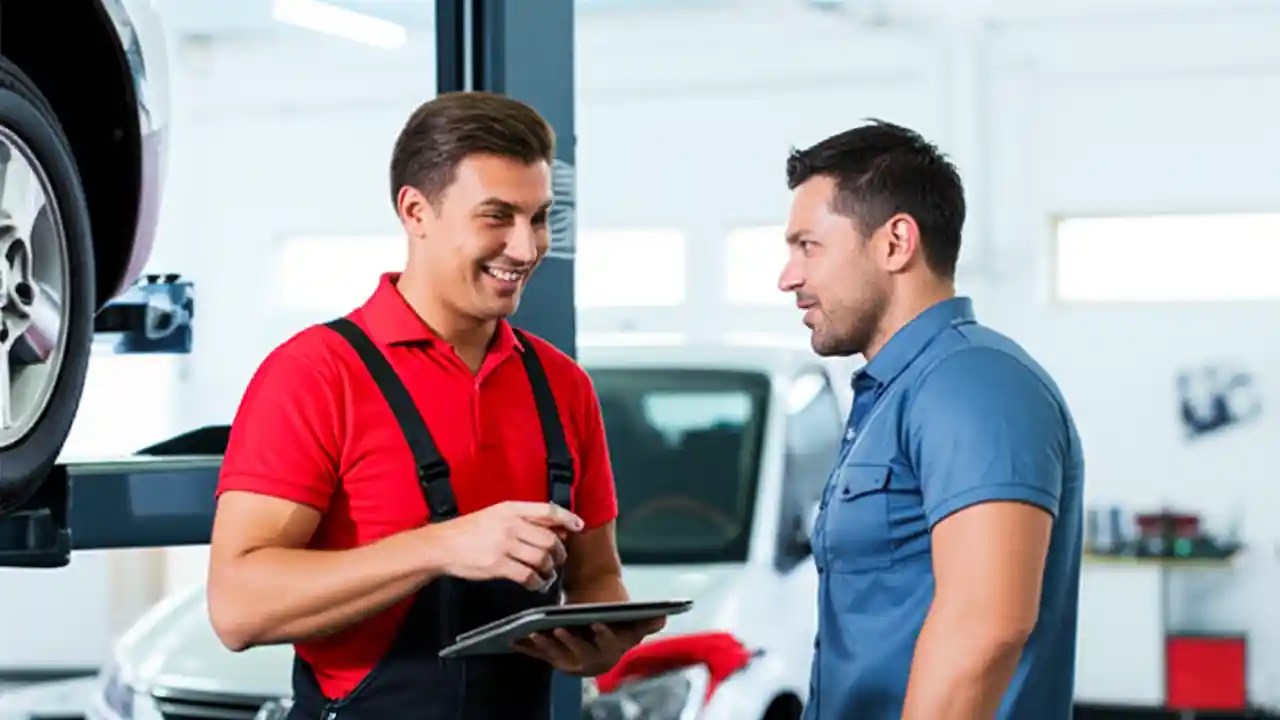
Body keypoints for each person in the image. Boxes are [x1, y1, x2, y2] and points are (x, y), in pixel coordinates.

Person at [206, 91, 661, 719]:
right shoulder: (314, 374)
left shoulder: (562, 387)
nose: (526, 249)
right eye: (496, 217)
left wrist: (595, 644)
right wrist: (440, 547)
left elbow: (597, 577)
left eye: (538, 218)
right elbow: (237, 609)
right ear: (416, 211)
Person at [777, 120, 1085, 720]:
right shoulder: (894, 396)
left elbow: (985, 627)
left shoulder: (975, 384)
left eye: (807, 246)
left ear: (895, 243)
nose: (788, 277)